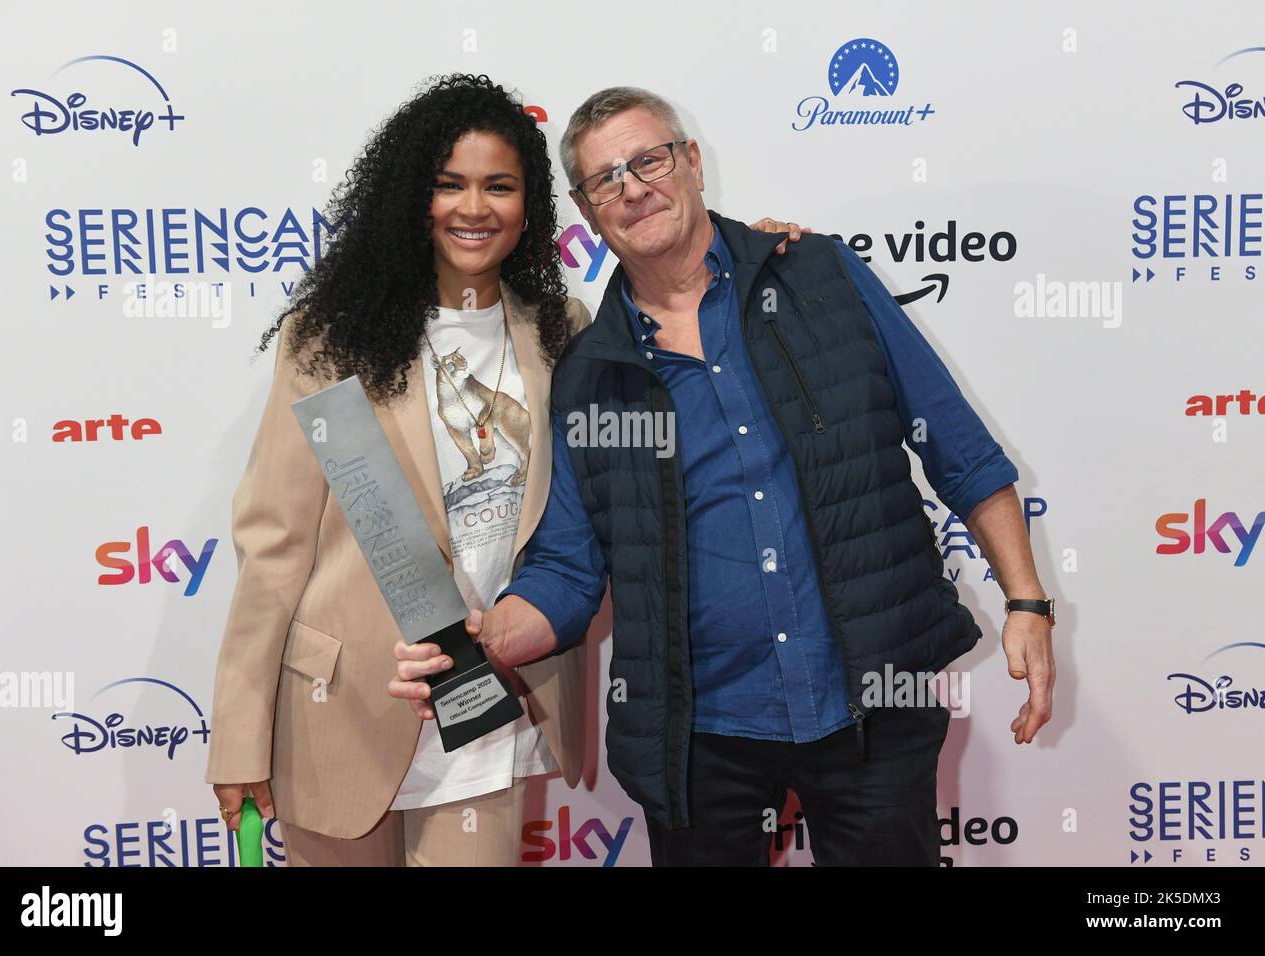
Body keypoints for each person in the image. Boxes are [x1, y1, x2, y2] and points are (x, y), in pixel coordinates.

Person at [391, 86, 1057, 866]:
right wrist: (487, 637)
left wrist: (1027, 600)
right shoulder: (589, 376)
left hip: (874, 703)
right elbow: (569, 568)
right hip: (697, 740)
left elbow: (957, 447)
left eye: (649, 160)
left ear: (692, 161)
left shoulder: (821, 278)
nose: (633, 187)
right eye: (607, 179)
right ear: (584, 208)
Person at [206, 73, 808, 866]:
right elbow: (274, 545)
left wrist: (761, 258)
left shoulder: (565, 330)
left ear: (531, 206)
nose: (473, 207)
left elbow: (682, 312)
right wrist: (239, 736)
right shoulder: (332, 341)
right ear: (412, 197)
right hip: (343, 709)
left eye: (499, 185)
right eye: (448, 185)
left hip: (491, 705)